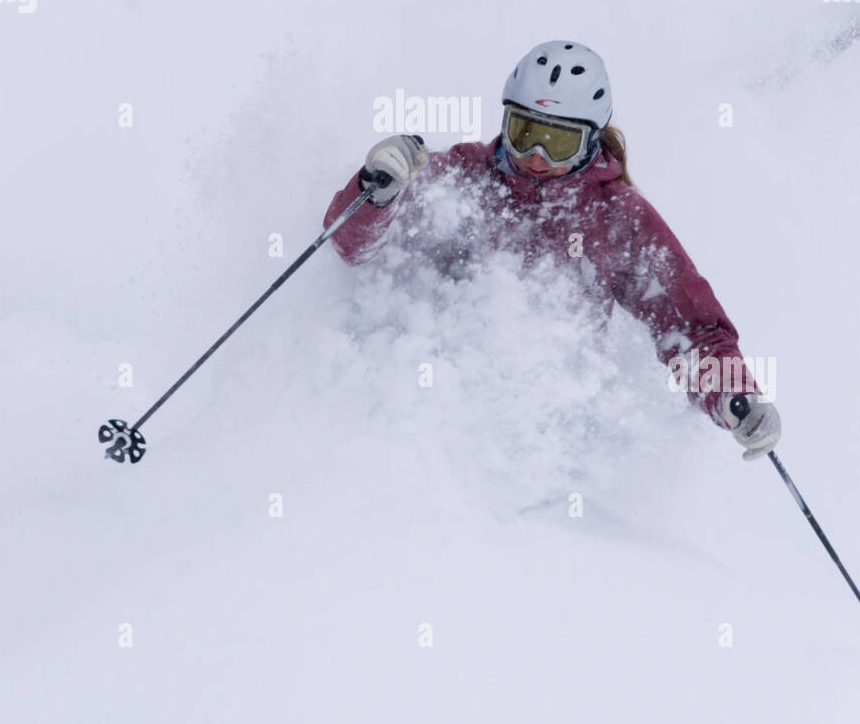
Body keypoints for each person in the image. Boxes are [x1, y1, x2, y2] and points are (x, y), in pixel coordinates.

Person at [324, 40, 780, 461]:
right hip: (426, 413)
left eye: (560, 142)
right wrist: (378, 189)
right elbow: (352, 248)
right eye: (525, 132)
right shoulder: (466, 176)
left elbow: (690, 328)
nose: (538, 155)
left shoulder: (620, 218)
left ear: (591, 141)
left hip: (543, 433)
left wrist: (733, 395)